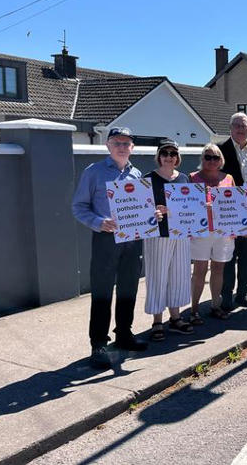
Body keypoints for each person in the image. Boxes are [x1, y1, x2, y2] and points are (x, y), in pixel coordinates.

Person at [72, 127, 161, 369]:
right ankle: (99, 343)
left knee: (128, 286)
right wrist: (99, 222)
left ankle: (124, 334)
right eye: (117, 142)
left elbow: (142, 207)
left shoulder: (137, 174)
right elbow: (79, 206)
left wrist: (151, 215)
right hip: (105, 239)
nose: (122, 147)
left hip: (132, 240)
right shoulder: (94, 172)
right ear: (108, 145)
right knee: (102, 291)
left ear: (132, 147)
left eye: (126, 143)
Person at [143, 139, 194, 340]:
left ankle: (175, 317)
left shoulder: (183, 178)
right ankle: (157, 321)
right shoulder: (148, 179)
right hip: (158, 234)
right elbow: (139, 208)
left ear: (177, 157)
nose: (169, 157)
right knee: (158, 276)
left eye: (173, 153)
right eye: (165, 153)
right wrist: (153, 211)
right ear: (159, 156)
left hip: (181, 234)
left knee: (179, 276)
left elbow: (189, 206)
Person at [218, 112, 247, 309]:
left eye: (243, 126)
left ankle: (242, 295)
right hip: (228, 210)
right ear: (230, 128)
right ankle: (226, 297)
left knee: (246, 255)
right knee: (228, 255)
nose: (240, 129)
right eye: (236, 125)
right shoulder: (220, 149)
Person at [189, 144, 235, 324]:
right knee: (199, 270)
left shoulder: (228, 178)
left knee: (218, 269)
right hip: (201, 231)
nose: (212, 161)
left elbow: (235, 206)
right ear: (202, 159)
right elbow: (187, 205)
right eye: (208, 157)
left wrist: (238, 228)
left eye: (215, 157)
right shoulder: (193, 178)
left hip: (223, 232)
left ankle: (216, 305)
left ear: (221, 160)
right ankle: (194, 309)